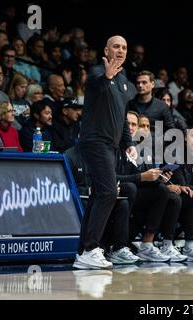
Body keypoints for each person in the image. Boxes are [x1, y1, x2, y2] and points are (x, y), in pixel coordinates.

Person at [73, 35, 137, 270]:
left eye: (124, 47)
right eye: (116, 46)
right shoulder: (97, 73)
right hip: (94, 141)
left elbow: (121, 117)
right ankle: (91, 248)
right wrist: (106, 76)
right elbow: (93, 85)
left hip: (111, 146)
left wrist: (128, 142)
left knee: (100, 195)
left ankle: (83, 252)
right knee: (109, 193)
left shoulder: (123, 81)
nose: (120, 50)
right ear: (106, 49)